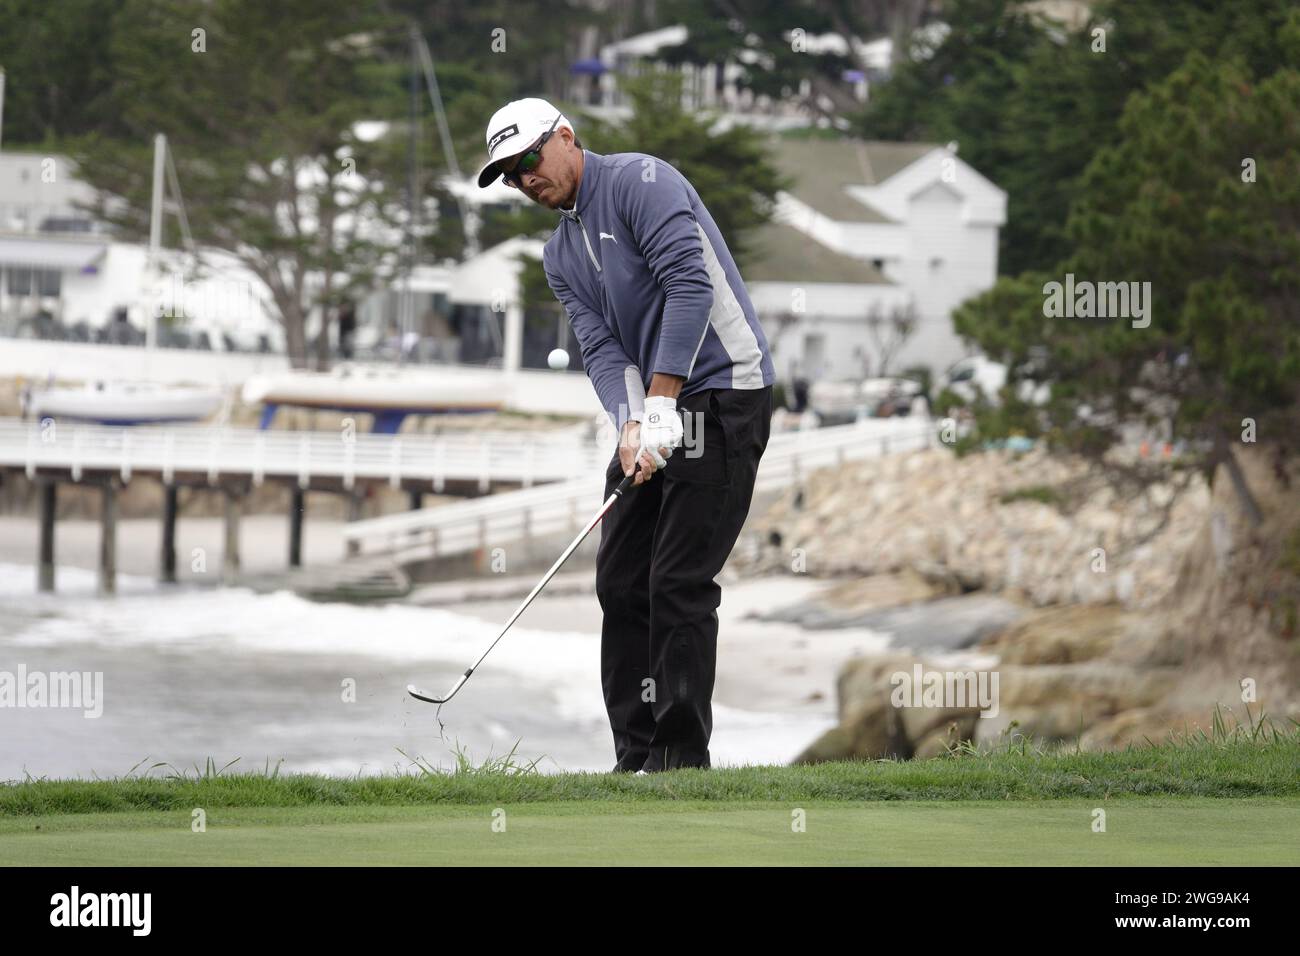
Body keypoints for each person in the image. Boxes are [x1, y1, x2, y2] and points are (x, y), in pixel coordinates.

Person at [476, 98, 775, 773]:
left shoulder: (644, 182)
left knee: (677, 580)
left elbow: (690, 288)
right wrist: (632, 423)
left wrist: (666, 403)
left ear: (567, 138)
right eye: (509, 174)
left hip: (726, 391)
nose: (525, 178)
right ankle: (634, 755)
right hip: (662, 408)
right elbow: (602, 348)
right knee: (620, 580)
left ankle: (679, 759)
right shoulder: (559, 253)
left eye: (529, 159)